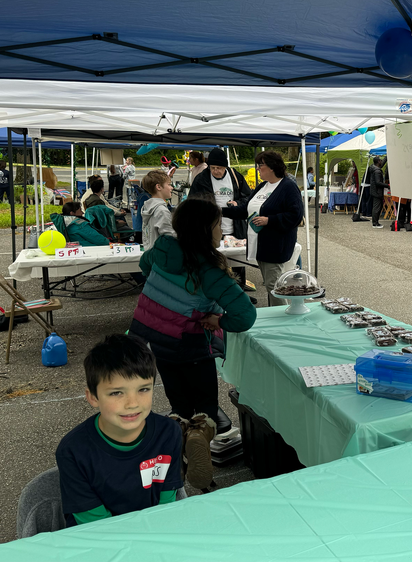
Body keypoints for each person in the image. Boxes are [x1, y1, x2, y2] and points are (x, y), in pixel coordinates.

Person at [130, 198, 257, 488]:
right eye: (217, 223)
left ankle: (181, 456)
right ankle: (199, 440)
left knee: (179, 403)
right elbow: (245, 316)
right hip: (190, 345)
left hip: (154, 341)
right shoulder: (209, 271)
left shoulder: (163, 247)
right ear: (206, 229)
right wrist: (217, 321)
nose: (221, 228)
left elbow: (143, 265)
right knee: (205, 409)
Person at [55, 334, 183, 527]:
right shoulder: (73, 451)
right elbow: (98, 526)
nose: (132, 404)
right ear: (93, 397)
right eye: (116, 393)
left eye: (143, 389)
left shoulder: (169, 433)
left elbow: (166, 506)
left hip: (153, 533)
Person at [222, 150, 305, 303]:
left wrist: (270, 220)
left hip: (275, 246)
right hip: (259, 245)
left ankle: (281, 319)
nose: (258, 169)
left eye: (261, 166)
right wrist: (221, 211)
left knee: (275, 287)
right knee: (271, 286)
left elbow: (296, 215)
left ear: (272, 167)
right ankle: (277, 315)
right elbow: (245, 210)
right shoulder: (262, 186)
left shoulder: (288, 187)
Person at [189, 148, 255, 296]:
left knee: (238, 262)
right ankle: (217, 295)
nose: (215, 171)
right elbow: (192, 203)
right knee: (214, 263)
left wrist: (238, 203)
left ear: (225, 167)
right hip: (211, 229)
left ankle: (240, 294)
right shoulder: (202, 179)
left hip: (234, 227)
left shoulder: (235, 176)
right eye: (213, 168)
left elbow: (248, 197)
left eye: (219, 168)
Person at [140, 170, 175, 246]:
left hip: (151, 253)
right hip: (162, 255)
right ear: (158, 187)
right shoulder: (162, 211)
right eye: (169, 184)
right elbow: (170, 238)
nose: (172, 188)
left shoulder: (147, 207)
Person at [368, 157, 390, 228]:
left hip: (375, 191)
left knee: (376, 207)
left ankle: (375, 222)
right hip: (377, 191)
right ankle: (375, 223)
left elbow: (382, 164)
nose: (381, 161)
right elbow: (378, 183)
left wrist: (387, 157)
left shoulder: (374, 168)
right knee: (377, 207)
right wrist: (387, 185)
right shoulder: (377, 171)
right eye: (380, 160)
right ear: (378, 162)